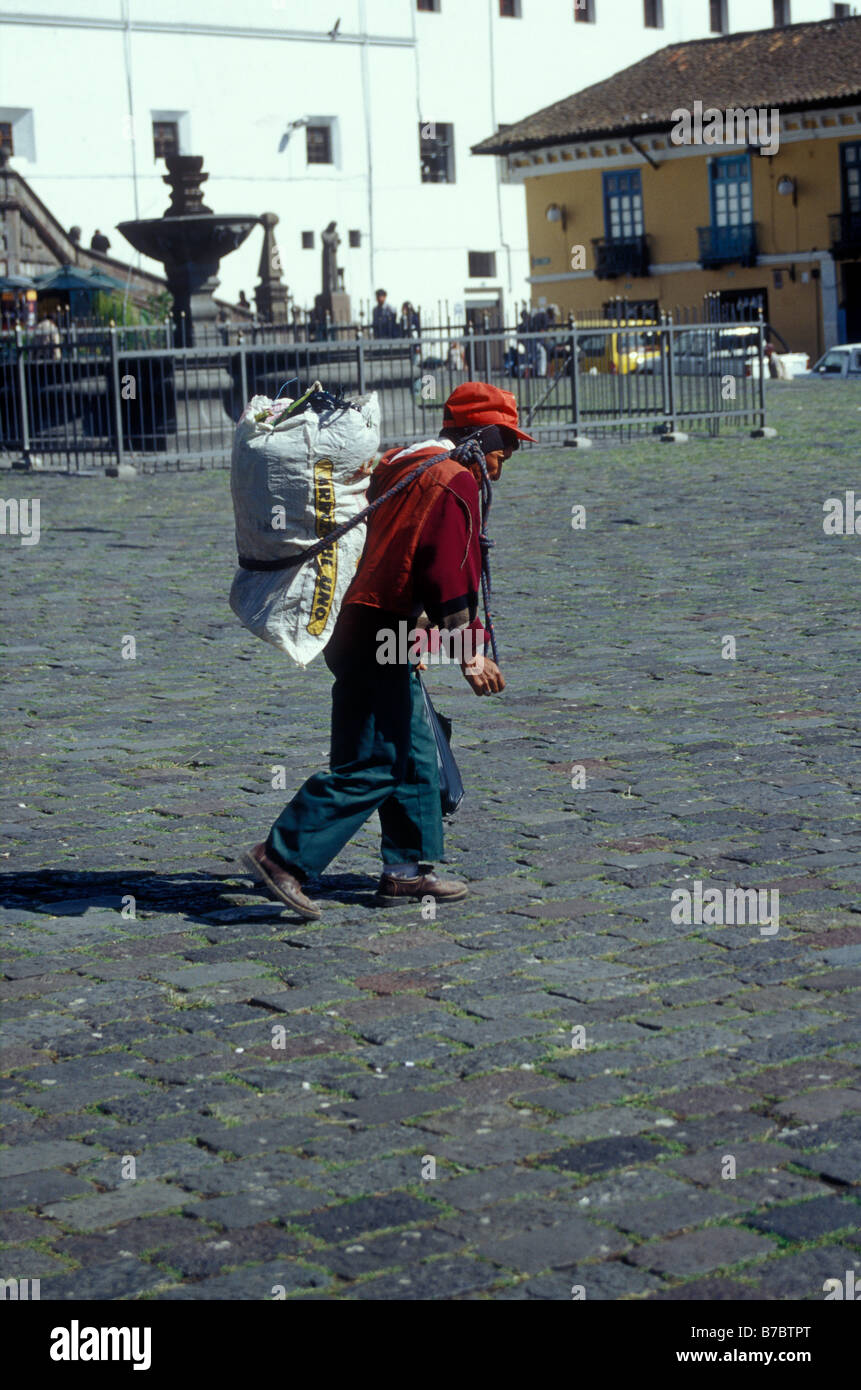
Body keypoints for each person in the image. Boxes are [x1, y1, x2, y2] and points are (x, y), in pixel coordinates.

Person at [242, 382, 536, 919]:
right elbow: (443, 570)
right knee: (375, 760)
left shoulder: (409, 459)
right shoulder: (454, 481)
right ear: (481, 436)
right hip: (376, 629)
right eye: (504, 448)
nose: (503, 464)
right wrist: (468, 652)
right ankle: (281, 857)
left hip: (374, 625)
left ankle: (406, 872)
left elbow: (395, 552)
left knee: (417, 750)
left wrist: (418, 639)